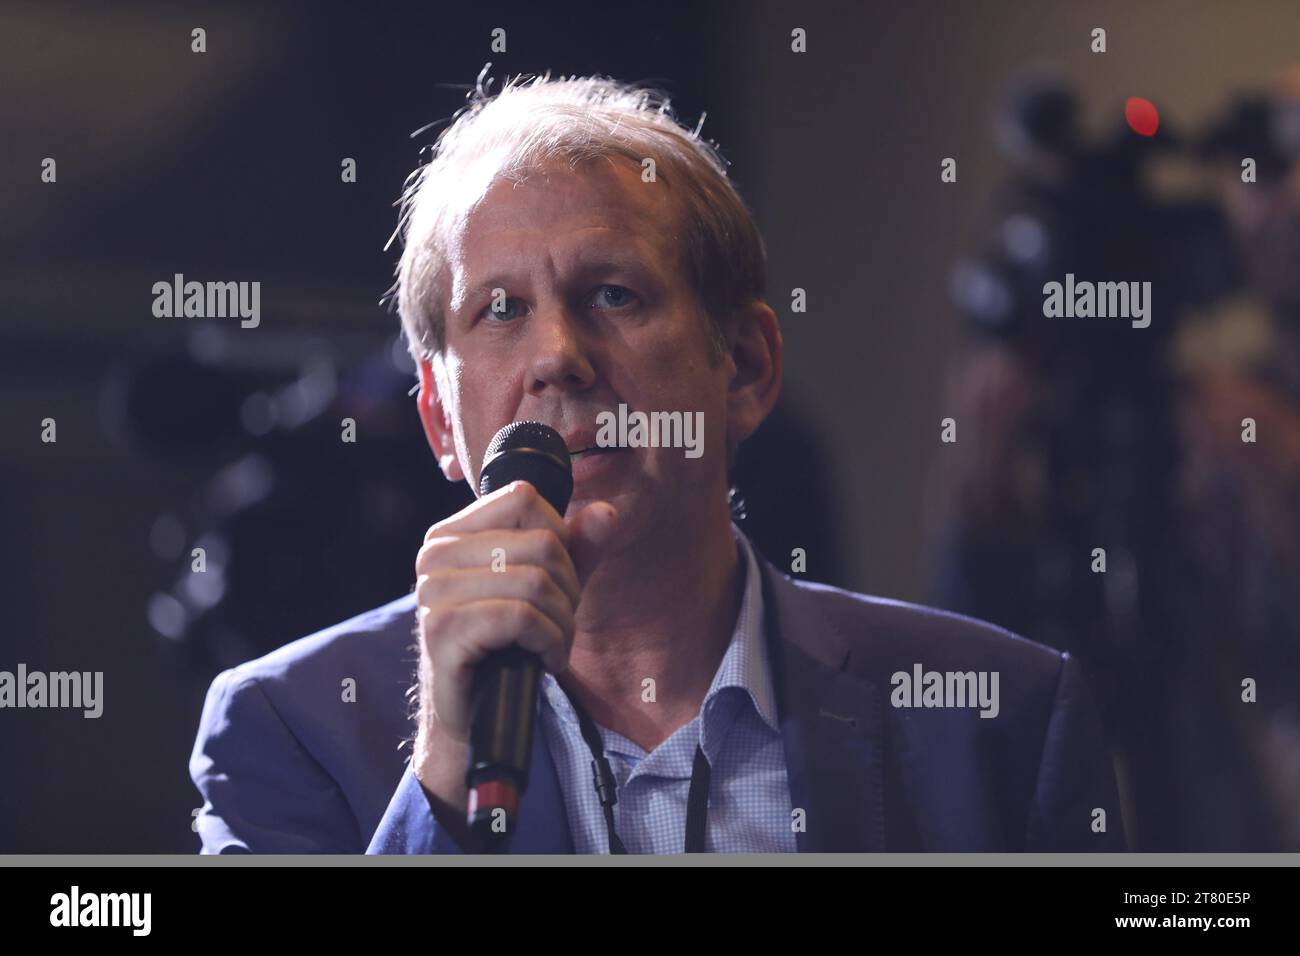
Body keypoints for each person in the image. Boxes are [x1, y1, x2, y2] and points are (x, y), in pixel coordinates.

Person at [190, 71, 1125, 854]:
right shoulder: (289, 729)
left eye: (614, 292)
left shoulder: (1001, 721)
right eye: (502, 310)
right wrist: (447, 770)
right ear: (440, 419)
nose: (558, 355)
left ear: (748, 368)